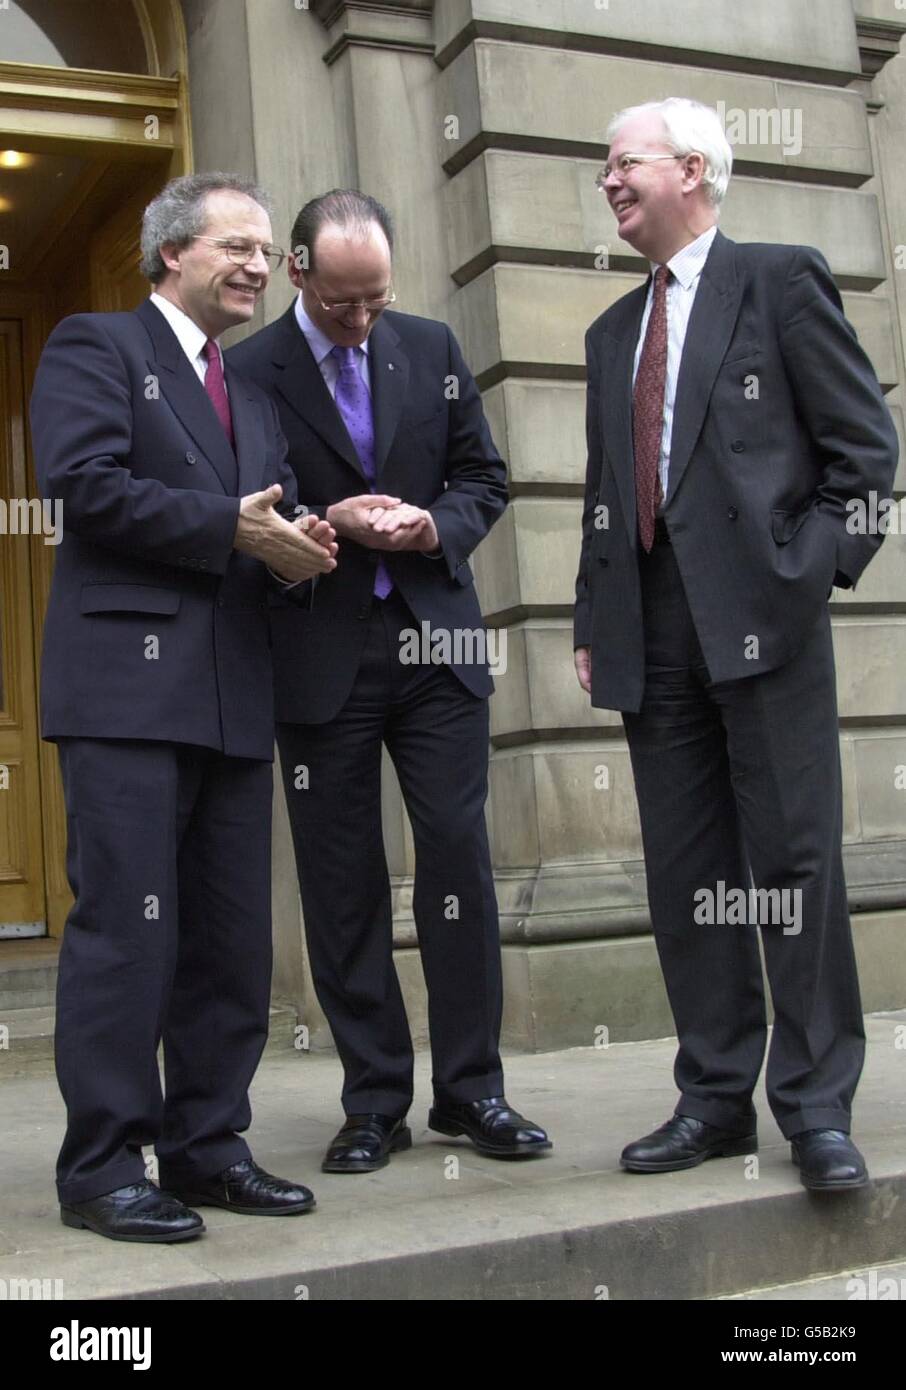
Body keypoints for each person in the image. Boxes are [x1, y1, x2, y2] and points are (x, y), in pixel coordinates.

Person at [574, 99, 897, 1190]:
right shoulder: (610, 333)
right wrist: (593, 618)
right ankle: (714, 1099)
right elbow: (604, 493)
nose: (609, 181)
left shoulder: (780, 280)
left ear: (694, 169)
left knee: (794, 865)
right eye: (605, 167)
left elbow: (867, 457)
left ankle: (816, 1108)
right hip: (651, 630)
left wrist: (807, 574)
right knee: (686, 873)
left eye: (625, 162)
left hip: (765, 620)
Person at [30, 172, 337, 1242]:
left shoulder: (250, 394)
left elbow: (264, 522)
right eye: (237, 246)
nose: (260, 265)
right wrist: (230, 527)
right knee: (127, 934)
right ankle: (103, 1168)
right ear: (172, 252)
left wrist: (302, 548)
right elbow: (81, 484)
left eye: (266, 250)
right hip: (125, 694)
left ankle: (209, 1147)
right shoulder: (96, 346)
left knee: (230, 941)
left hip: (232, 698)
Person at [229, 189, 550, 1172]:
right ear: (297, 273)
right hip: (317, 654)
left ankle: (474, 1091)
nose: (362, 320)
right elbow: (243, 504)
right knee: (342, 883)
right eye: (342, 303)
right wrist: (327, 519)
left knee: (457, 861)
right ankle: (373, 1101)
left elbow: (484, 478)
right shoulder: (247, 369)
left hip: (435, 648)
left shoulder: (433, 347)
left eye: (377, 299)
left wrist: (432, 526)